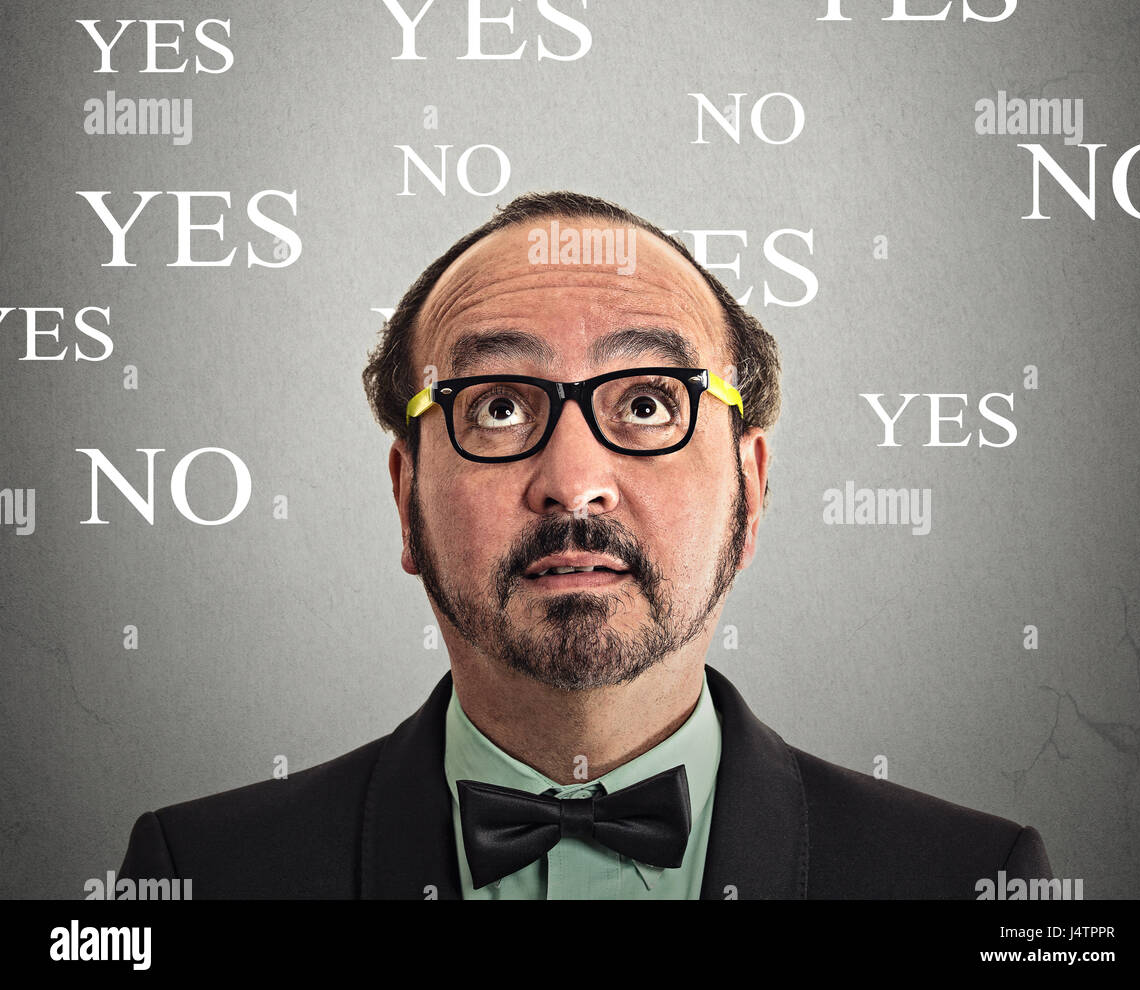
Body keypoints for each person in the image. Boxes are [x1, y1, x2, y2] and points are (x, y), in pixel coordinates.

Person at [118, 190, 1052, 899]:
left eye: (646, 404)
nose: (572, 480)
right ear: (406, 499)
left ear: (751, 490)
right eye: (494, 407)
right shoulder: (194, 873)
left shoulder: (980, 881)